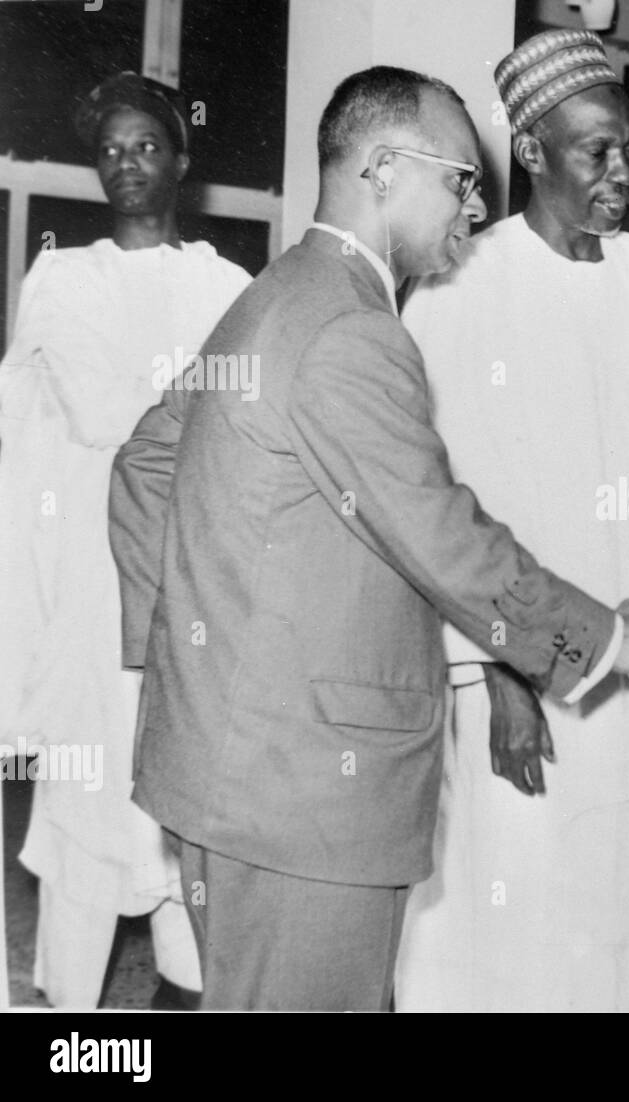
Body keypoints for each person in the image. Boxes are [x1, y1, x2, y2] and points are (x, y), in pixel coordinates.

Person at [107, 65, 629, 1011]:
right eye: (460, 178)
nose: (475, 205)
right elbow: (446, 540)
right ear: (382, 169)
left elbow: (142, 469)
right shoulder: (351, 330)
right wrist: (615, 642)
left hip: (226, 778)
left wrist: (183, 654)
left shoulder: (275, 295)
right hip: (305, 809)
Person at [394, 29, 629, 1013]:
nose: (622, 174)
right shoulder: (456, 287)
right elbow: (434, 510)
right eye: (595, 151)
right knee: (528, 928)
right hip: (533, 680)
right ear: (529, 151)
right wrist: (501, 678)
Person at [0, 72, 251, 1009]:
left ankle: (182, 997)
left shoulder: (227, 285)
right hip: (92, 586)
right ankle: (71, 1022)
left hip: (190, 582)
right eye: (109, 150)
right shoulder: (65, 277)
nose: (125, 164)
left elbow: (240, 423)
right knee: (87, 801)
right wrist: (198, 403)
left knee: (182, 804)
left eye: (145, 145)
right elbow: (107, 406)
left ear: (181, 159)